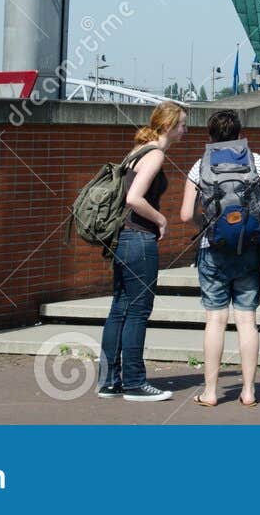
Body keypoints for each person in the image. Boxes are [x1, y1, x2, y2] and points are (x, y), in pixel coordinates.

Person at [180, 109, 260, 408]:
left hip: (213, 250)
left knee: (215, 320)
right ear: (240, 134)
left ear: (210, 136)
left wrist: (207, 226)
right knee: (247, 321)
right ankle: (249, 391)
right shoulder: (255, 160)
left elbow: (185, 214)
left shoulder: (201, 165)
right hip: (249, 248)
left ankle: (211, 392)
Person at [98, 100, 185, 402]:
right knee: (138, 310)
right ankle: (135, 382)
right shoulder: (155, 154)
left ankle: (109, 381)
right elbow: (134, 198)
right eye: (182, 125)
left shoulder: (136, 151)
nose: (185, 131)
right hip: (139, 239)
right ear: (168, 125)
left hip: (122, 238)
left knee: (120, 307)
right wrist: (160, 219)